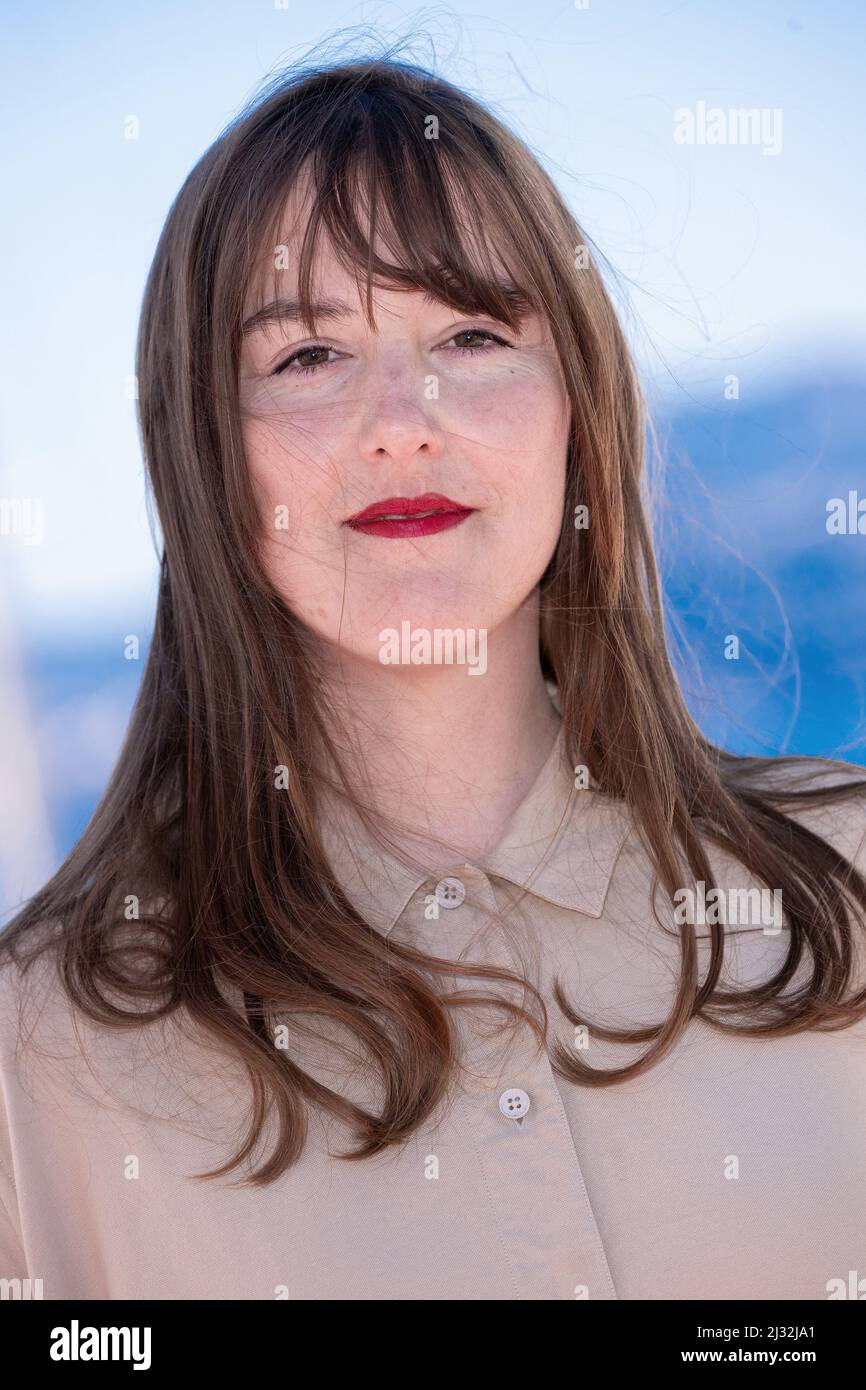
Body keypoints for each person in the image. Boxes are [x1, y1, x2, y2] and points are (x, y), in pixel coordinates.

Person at [2, 53, 865, 1303]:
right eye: (306, 355)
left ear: (577, 406)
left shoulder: (841, 890)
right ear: (202, 447)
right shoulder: (36, 1069)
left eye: (471, 332)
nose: (404, 417)